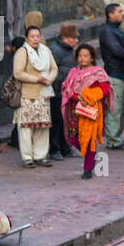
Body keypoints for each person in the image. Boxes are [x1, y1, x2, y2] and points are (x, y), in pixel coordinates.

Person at [61, 44, 112, 179]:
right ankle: (91, 158)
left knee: (89, 139)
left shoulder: (98, 72)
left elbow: (106, 89)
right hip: (74, 109)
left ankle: (88, 168)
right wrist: (76, 97)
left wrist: (88, 96)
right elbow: (67, 90)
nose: (82, 59)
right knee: (73, 138)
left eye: (85, 56)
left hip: (90, 109)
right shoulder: (73, 72)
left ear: (92, 58)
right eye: (80, 56)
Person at [13, 25, 59, 168]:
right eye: (32, 36)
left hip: (44, 94)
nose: (35, 39)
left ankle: (40, 156)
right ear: (27, 38)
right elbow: (18, 73)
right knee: (26, 127)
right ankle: (27, 157)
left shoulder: (46, 50)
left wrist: (49, 79)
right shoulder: (22, 52)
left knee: (43, 127)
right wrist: (37, 79)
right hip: (27, 95)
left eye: (37, 36)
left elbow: (54, 68)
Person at [99, 3, 124, 150]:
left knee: (122, 109)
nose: (122, 14)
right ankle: (113, 139)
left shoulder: (115, 30)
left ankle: (116, 137)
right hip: (115, 74)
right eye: (119, 11)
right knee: (115, 109)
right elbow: (117, 51)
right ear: (110, 15)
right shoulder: (107, 32)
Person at [47, 23, 80, 160]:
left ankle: (65, 147)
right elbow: (52, 71)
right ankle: (54, 148)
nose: (76, 41)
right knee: (57, 120)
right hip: (57, 92)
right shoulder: (55, 50)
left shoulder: (69, 50)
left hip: (67, 92)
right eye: (73, 38)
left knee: (66, 121)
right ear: (65, 38)